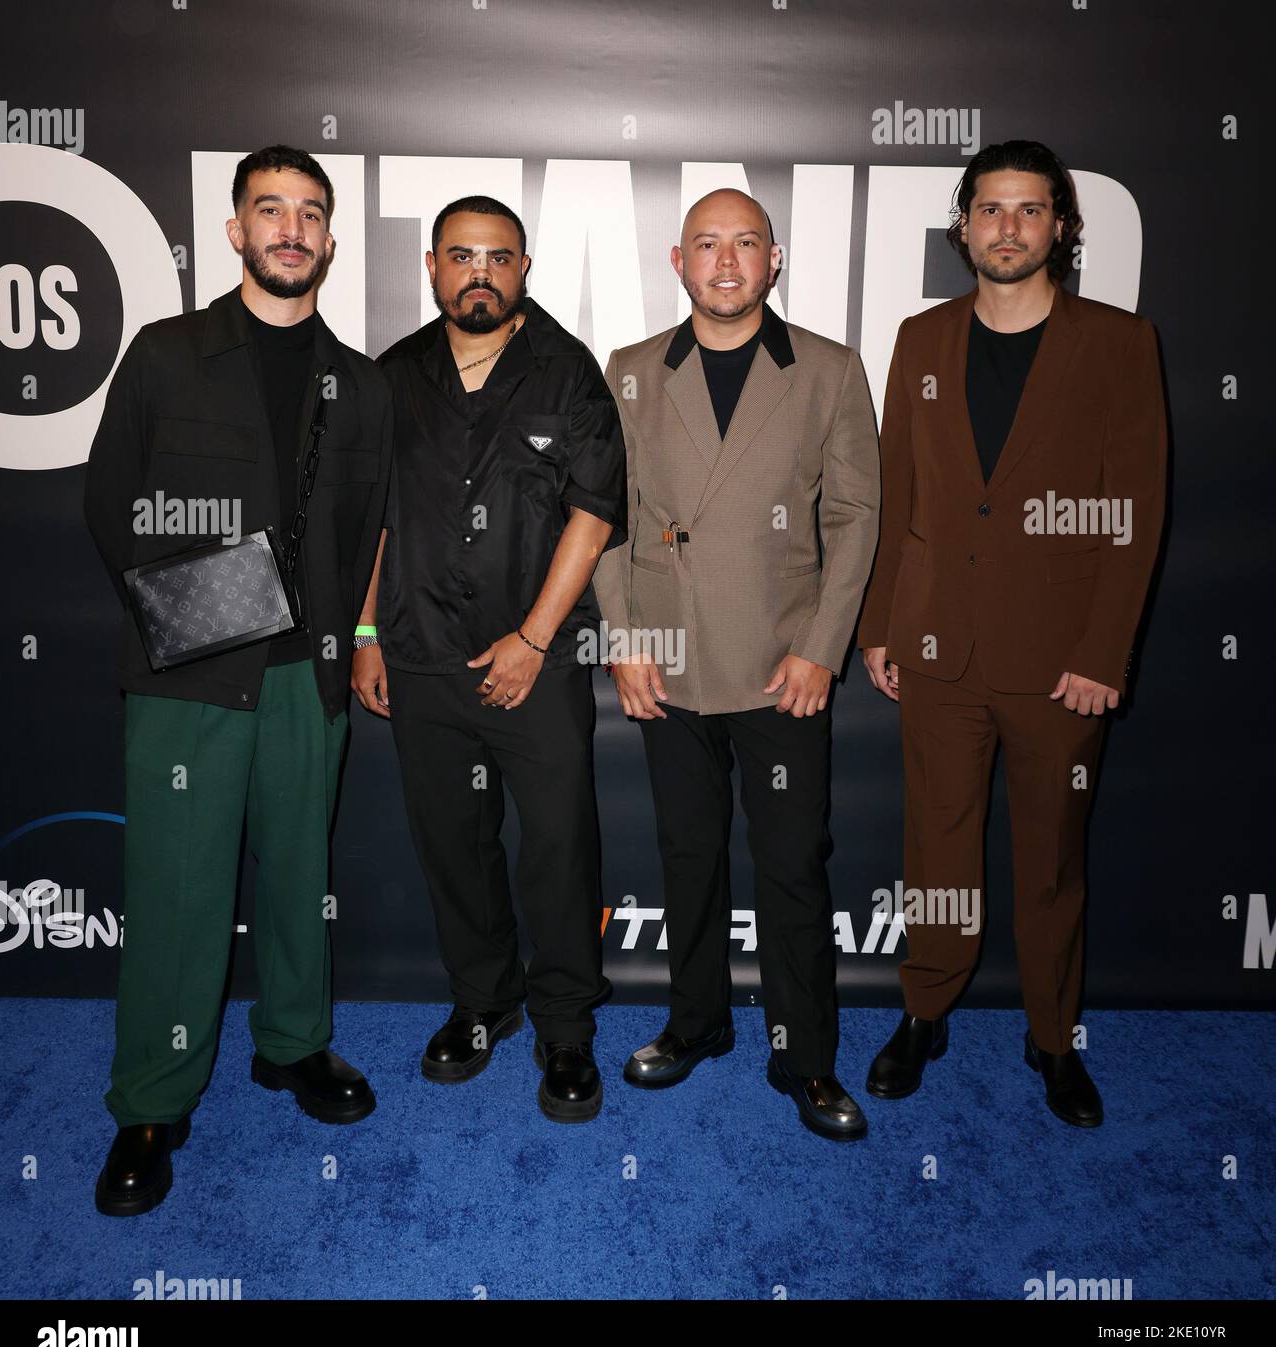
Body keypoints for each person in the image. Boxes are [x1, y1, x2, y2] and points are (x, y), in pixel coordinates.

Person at [85, 145, 393, 1215]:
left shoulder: (356, 383)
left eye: (310, 213)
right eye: (271, 210)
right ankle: (151, 1105)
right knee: (178, 894)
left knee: (299, 879)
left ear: (329, 238)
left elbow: (367, 535)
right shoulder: (167, 353)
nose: (291, 229)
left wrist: (356, 635)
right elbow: (112, 502)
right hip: (192, 682)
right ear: (234, 231)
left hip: (306, 684)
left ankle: (293, 1046)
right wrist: (213, 612)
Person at [857, 140, 1167, 1127]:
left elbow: (1132, 513)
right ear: (961, 225)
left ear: (1061, 228)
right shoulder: (919, 338)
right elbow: (894, 490)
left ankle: (1050, 1037)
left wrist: (1101, 652)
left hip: (1059, 664)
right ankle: (924, 1010)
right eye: (988, 209)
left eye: (1028, 210)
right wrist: (878, 625)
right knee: (934, 852)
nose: (1006, 227)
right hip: (937, 651)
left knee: (1048, 860)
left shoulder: (1118, 344)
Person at [593, 188, 881, 1140]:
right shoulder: (631, 370)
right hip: (670, 663)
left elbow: (852, 519)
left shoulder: (830, 372)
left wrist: (819, 649)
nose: (725, 261)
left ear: (774, 259)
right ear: (677, 262)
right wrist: (626, 641)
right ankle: (697, 1024)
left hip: (777, 665)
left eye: (744, 243)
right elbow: (604, 517)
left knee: (794, 864)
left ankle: (803, 1058)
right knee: (688, 855)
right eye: (705, 245)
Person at [351, 196, 627, 1123]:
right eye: (461, 256)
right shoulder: (390, 377)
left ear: (524, 268)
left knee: (557, 850)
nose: (480, 272)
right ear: (431, 266)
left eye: (498, 257)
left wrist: (534, 639)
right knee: (454, 849)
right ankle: (482, 1005)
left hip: (537, 666)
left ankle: (566, 1030)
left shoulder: (568, 373)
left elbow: (593, 516)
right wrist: (363, 634)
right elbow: (375, 520)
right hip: (421, 656)